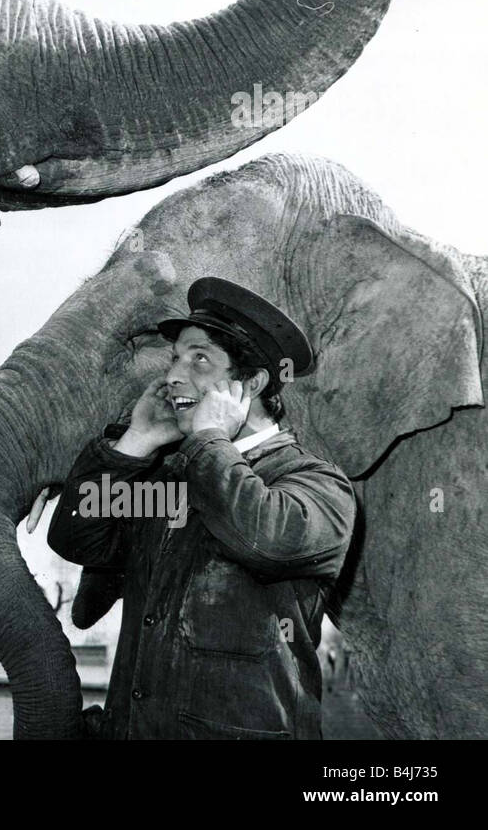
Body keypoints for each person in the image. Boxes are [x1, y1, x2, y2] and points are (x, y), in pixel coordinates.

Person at [34, 277, 356, 739]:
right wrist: (135, 443)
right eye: (175, 359)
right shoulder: (170, 480)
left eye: (199, 359)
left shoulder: (318, 486)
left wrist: (209, 439)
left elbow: (262, 538)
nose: (172, 377)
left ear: (252, 383)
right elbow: (76, 538)